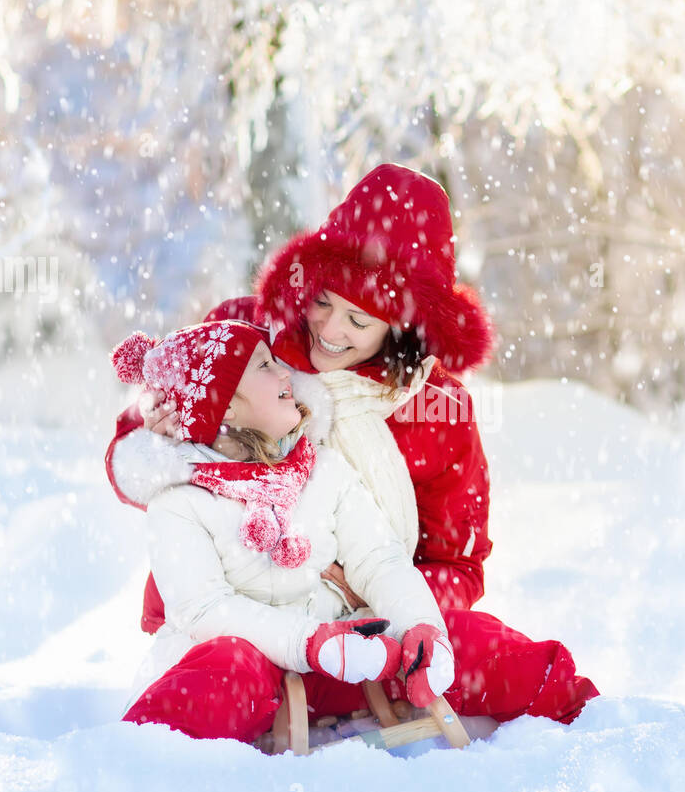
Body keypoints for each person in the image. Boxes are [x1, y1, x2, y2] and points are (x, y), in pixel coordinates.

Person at [112, 320, 596, 741]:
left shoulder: (322, 469)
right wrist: (310, 641)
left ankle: (586, 715)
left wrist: (420, 629)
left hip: (347, 662)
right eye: (263, 366)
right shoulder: (179, 502)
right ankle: (136, 762)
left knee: (471, 637)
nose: (286, 373)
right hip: (259, 667)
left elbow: (378, 559)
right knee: (221, 669)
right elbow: (204, 609)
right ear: (226, 408)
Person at [106, 163, 493, 634]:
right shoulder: (245, 338)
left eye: (359, 320)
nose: (330, 330)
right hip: (221, 625)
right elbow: (134, 458)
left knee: (488, 645)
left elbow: (460, 565)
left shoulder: (436, 409)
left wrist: (375, 594)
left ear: (401, 330)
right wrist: (156, 435)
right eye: (324, 301)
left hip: (367, 635)